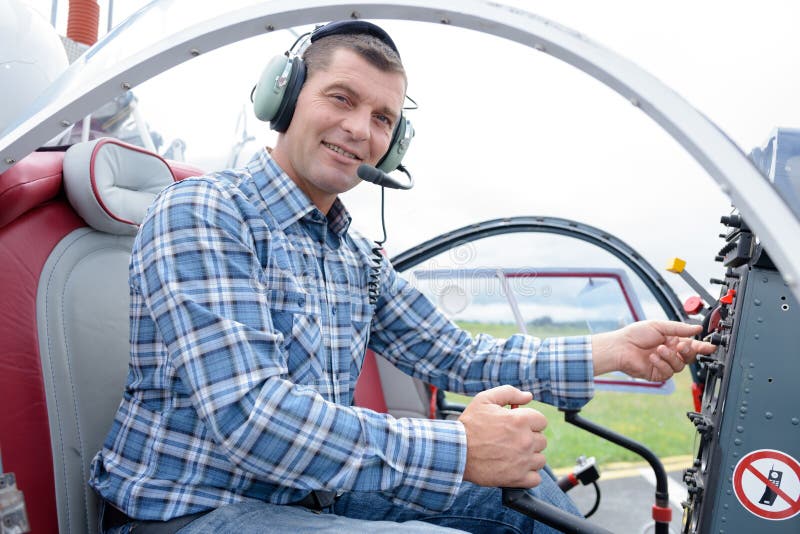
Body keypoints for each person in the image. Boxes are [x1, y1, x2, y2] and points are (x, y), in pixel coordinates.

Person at [89, 20, 716, 534]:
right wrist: (462, 450)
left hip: (306, 500)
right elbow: (253, 417)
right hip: (189, 510)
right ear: (283, 99)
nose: (360, 130)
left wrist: (611, 350)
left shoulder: (353, 256)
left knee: (535, 503)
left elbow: (458, 354)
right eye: (341, 98)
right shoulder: (203, 213)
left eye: (383, 119)